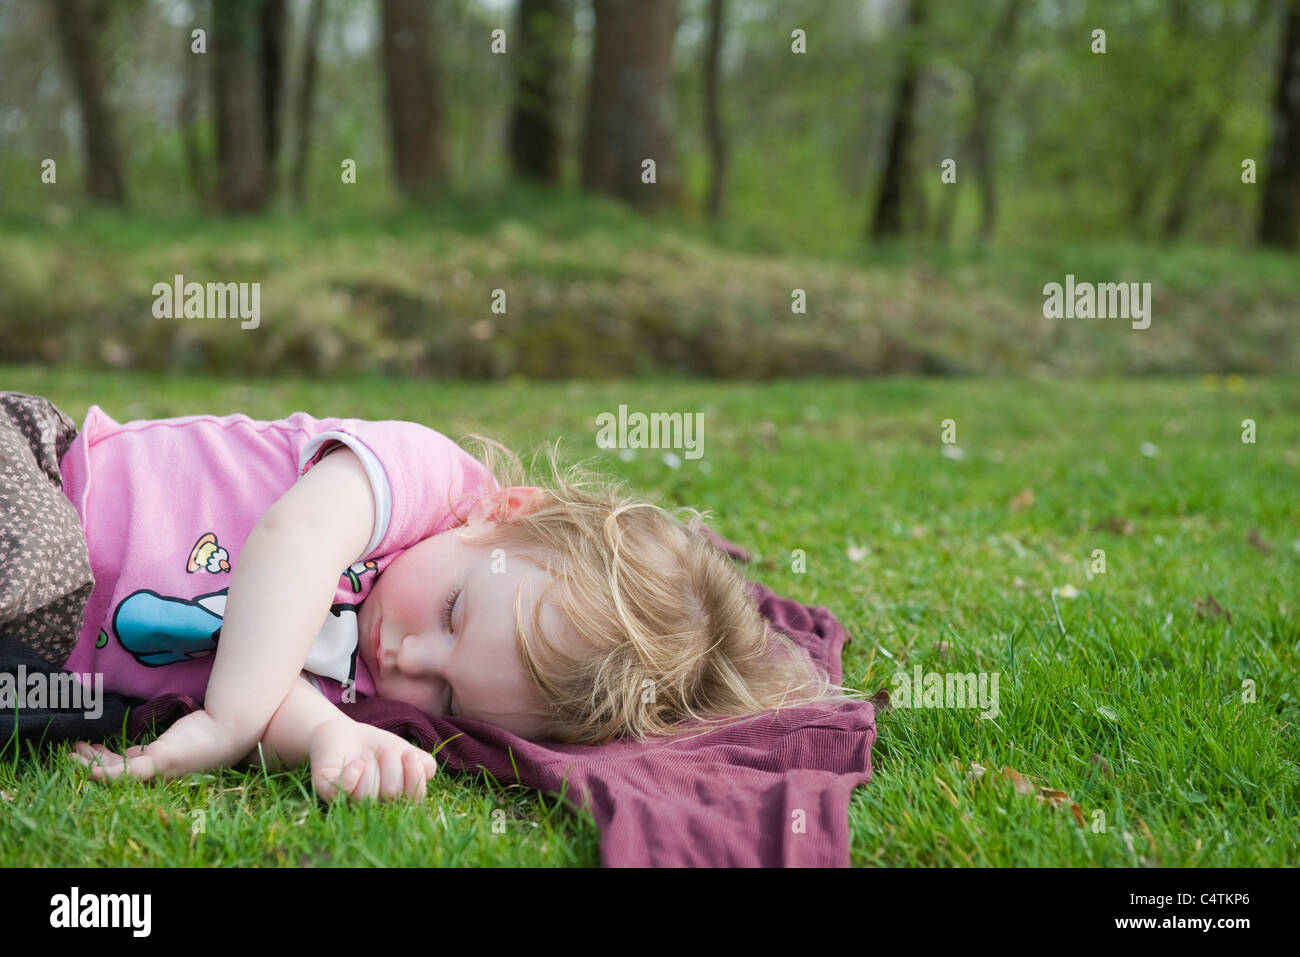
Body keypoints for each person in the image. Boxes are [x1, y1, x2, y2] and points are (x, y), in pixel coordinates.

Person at [0, 391, 850, 803]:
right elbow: (291, 544)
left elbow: (282, 693)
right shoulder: (417, 478)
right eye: (453, 614)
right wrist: (227, 724)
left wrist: (331, 731)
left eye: (444, 694)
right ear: (502, 515)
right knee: (33, 569)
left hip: (46, 647)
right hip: (46, 482)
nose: (408, 659)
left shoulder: (384, 669)